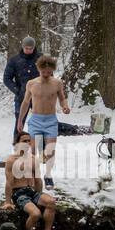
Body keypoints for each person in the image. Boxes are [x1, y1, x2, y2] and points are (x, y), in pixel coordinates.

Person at [16, 55, 71, 185]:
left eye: (49, 72)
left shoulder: (57, 83)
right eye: (43, 71)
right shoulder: (31, 84)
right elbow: (25, 102)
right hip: (35, 120)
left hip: (51, 120)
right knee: (34, 149)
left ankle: (48, 175)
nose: (46, 74)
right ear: (39, 69)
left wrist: (65, 106)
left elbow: (62, 98)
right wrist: (20, 120)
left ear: (52, 70)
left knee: (50, 149)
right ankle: (35, 174)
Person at [2, 133, 56, 230]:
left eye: (28, 141)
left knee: (51, 202)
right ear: (17, 143)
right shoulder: (11, 160)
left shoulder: (33, 159)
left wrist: (39, 196)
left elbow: (38, 180)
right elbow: (9, 182)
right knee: (36, 214)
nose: (27, 143)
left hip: (31, 191)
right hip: (18, 193)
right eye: (24, 141)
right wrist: (8, 202)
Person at [3, 35, 41, 140]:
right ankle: (17, 149)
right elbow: (7, 79)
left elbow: (49, 77)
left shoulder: (41, 59)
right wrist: (17, 90)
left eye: (31, 48)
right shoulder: (14, 60)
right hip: (21, 97)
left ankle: (39, 148)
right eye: (26, 48)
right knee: (19, 125)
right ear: (22, 47)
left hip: (39, 97)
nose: (28, 50)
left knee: (39, 124)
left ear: (34, 48)